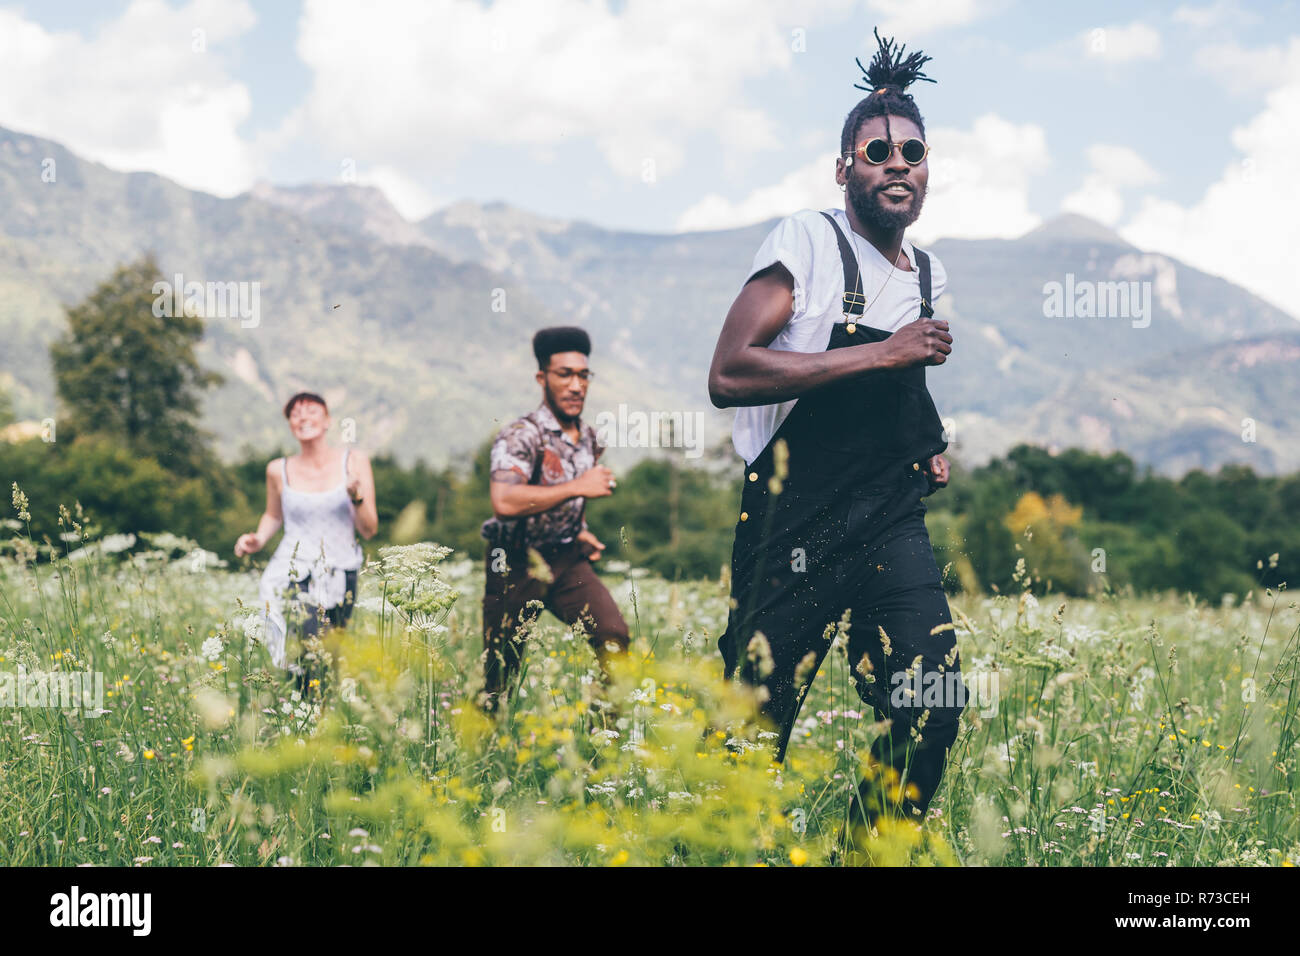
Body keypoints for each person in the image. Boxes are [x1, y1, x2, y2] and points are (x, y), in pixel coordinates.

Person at [707, 30, 964, 840]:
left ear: (927, 170)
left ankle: (864, 853)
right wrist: (885, 350)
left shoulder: (928, 273)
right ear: (846, 166)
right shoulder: (807, 242)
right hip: (795, 519)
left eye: (912, 151)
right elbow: (729, 374)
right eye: (877, 149)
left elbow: (901, 382)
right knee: (750, 733)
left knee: (933, 695)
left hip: (889, 515)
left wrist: (925, 439)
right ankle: (717, 853)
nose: (897, 162)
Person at [479, 326, 630, 716]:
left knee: (614, 638)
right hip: (512, 561)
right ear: (542, 378)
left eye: (583, 375)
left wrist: (580, 529)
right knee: (501, 673)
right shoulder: (520, 436)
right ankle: (481, 757)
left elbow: (560, 498)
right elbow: (505, 501)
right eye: (565, 374)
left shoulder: (589, 439)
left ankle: (603, 749)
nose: (576, 385)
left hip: (566, 560)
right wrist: (579, 485)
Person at [234, 391, 378, 691]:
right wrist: (258, 539)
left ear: (327, 421)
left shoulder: (354, 461)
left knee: (331, 651)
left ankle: (319, 719)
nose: (303, 417)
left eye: (311, 410)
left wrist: (356, 496)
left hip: (342, 568)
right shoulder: (278, 469)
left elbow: (369, 529)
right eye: (295, 414)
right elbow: (273, 515)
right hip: (294, 570)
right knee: (309, 645)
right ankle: (306, 718)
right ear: (290, 426)